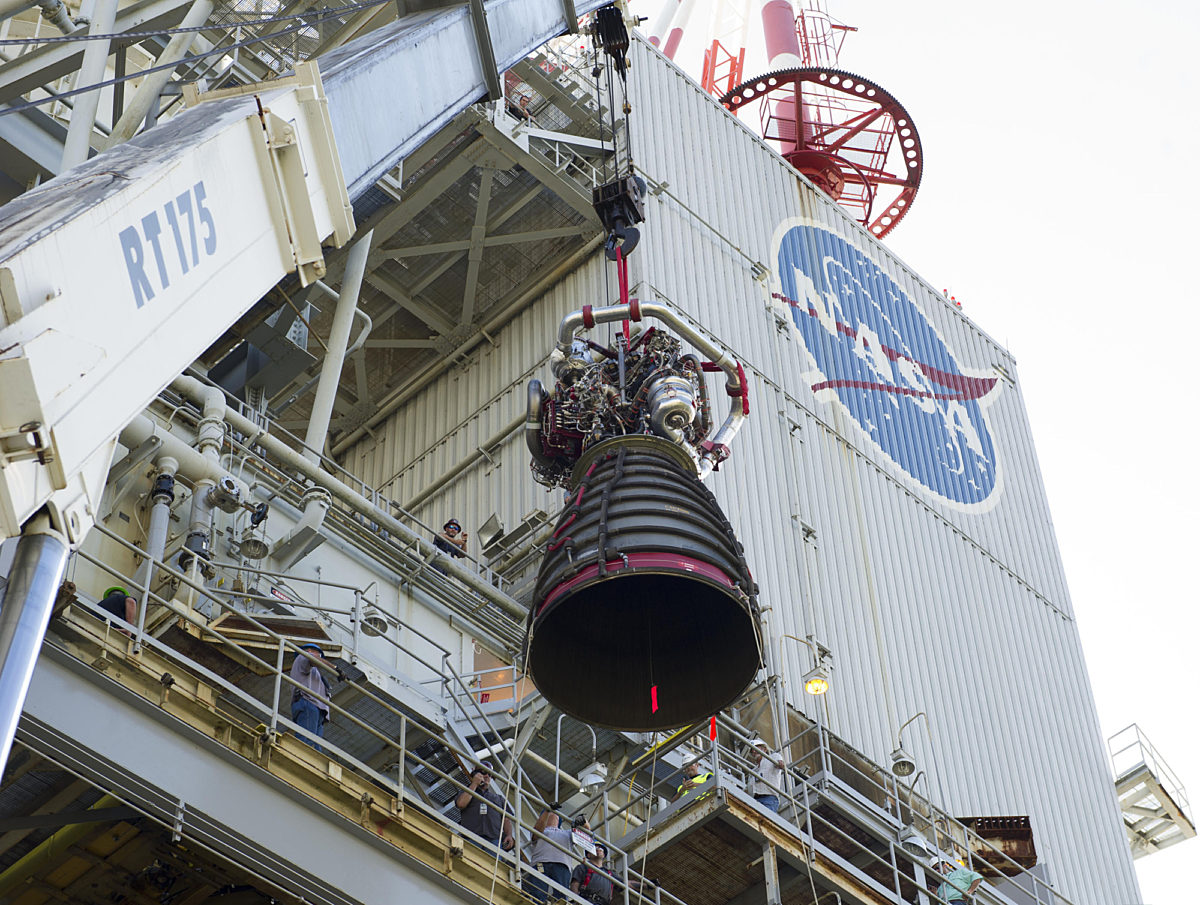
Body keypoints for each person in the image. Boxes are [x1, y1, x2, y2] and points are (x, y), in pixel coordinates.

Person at [455, 761, 515, 852]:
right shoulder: (467, 792)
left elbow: (506, 819)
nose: (487, 776)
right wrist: (474, 784)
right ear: (475, 773)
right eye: (483, 772)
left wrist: (509, 835)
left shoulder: (498, 798)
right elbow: (461, 804)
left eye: (490, 774)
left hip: (493, 841)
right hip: (471, 836)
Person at [290, 642, 338, 752]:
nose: (319, 656)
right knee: (306, 743)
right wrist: (335, 668)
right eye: (318, 653)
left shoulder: (314, 672)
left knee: (315, 748)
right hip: (308, 703)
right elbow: (313, 659)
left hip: (317, 709)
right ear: (309, 651)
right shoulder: (303, 656)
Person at [522, 807, 573, 903]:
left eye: (556, 815)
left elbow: (586, 833)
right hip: (541, 864)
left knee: (561, 896)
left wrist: (582, 822)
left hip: (560, 865)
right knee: (538, 892)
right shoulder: (540, 830)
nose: (553, 816)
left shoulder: (567, 833)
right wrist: (547, 810)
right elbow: (537, 831)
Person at [747, 738, 786, 812]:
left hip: (769, 798)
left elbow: (780, 764)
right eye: (752, 750)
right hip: (755, 800)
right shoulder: (753, 771)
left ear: (764, 749)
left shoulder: (772, 757)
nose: (754, 751)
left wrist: (780, 764)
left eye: (756, 748)